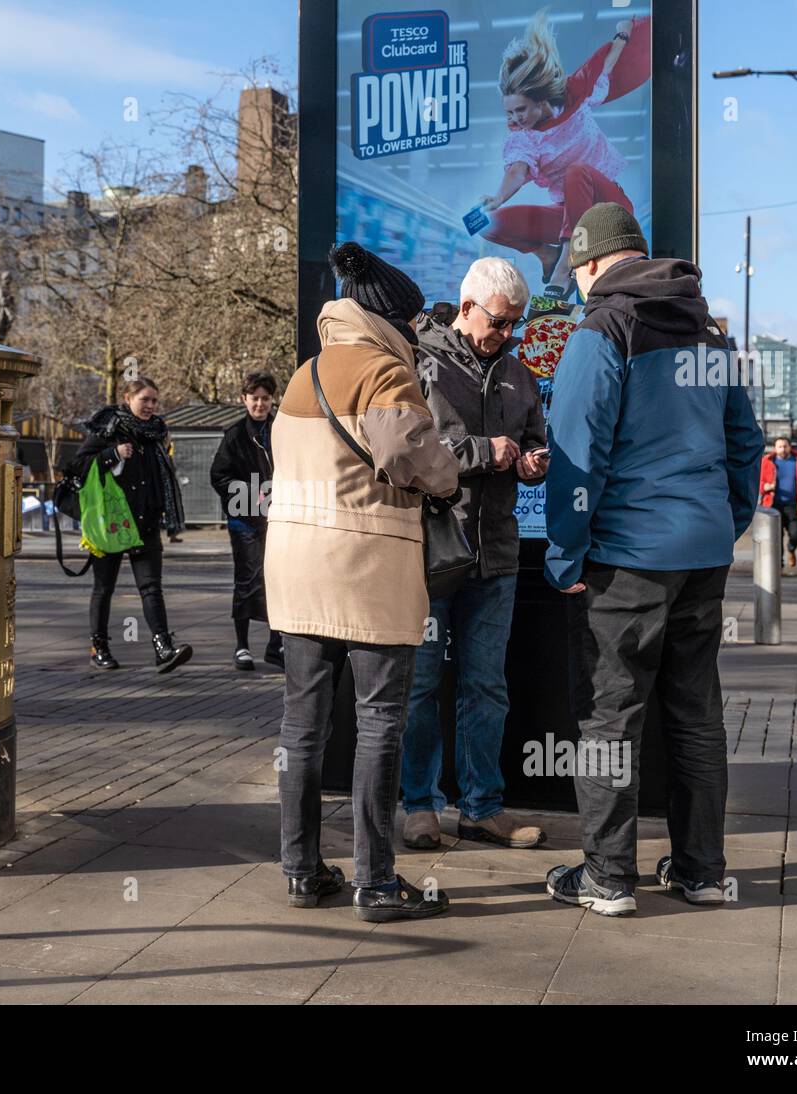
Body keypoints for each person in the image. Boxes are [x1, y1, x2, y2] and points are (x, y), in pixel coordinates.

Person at [543, 203, 763, 916]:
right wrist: (722, 525)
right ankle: (701, 871)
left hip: (624, 561)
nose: (576, 286)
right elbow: (745, 446)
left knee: (611, 718)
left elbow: (578, 457)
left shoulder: (602, 331)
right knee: (697, 715)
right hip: (701, 557)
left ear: (594, 264)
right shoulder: (710, 334)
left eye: (577, 273)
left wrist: (565, 554)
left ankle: (607, 877)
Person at [266, 242, 460, 921]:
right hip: (366, 569)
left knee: (302, 728)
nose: (416, 334)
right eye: (412, 323)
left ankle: (299, 869)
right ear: (394, 320)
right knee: (381, 722)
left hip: (294, 572)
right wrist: (449, 475)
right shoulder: (385, 373)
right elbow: (409, 453)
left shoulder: (305, 373)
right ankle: (376, 882)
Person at [400, 257, 548, 852]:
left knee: (487, 685)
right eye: (499, 321)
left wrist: (536, 461)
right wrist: (490, 452)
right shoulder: (420, 363)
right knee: (421, 684)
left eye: (516, 323)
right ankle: (420, 806)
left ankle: (483, 807)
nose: (508, 334)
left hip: (498, 554)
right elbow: (417, 449)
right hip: (436, 552)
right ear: (466, 309)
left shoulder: (520, 375)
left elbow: (537, 441)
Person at [479, 11, 651, 298]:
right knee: (486, 224)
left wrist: (623, 33)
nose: (516, 118)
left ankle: (566, 265)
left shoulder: (576, 98)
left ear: (542, 100)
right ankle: (548, 256)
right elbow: (517, 171)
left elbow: (606, 65)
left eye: (521, 110)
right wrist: (498, 198)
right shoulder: (523, 138)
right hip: (568, 215)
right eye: (509, 112)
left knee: (577, 172)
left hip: (609, 207)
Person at [74, 377, 192, 672]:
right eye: (145, 400)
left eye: (154, 400)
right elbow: (79, 465)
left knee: (151, 587)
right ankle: (98, 646)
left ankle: (163, 648)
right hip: (111, 522)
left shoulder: (157, 432)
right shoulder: (108, 427)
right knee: (104, 587)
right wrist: (112, 454)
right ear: (128, 398)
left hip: (146, 521)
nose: (151, 406)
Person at [210, 371, 284, 671]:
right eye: (255, 398)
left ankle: (274, 642)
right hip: (244, 519)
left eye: (266, 398)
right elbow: (219, 475)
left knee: (277, 580)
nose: (260, 404)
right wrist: (246, 492)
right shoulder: (235, 435)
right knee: (247, 578)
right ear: (244, 399)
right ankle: (242, 645)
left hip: (277, 518)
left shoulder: (281, 428)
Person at [759, 437, 797, 568]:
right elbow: (757, 482)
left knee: (796, 533)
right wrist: (766, 487)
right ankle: (779, 563)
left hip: (794, 505)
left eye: (785, 446)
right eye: (780, 446)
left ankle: (791, 549)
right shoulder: (767, 462)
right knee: (776, 536)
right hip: (773, 505)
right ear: (775, 448)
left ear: (790, 447)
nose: (782, 449)